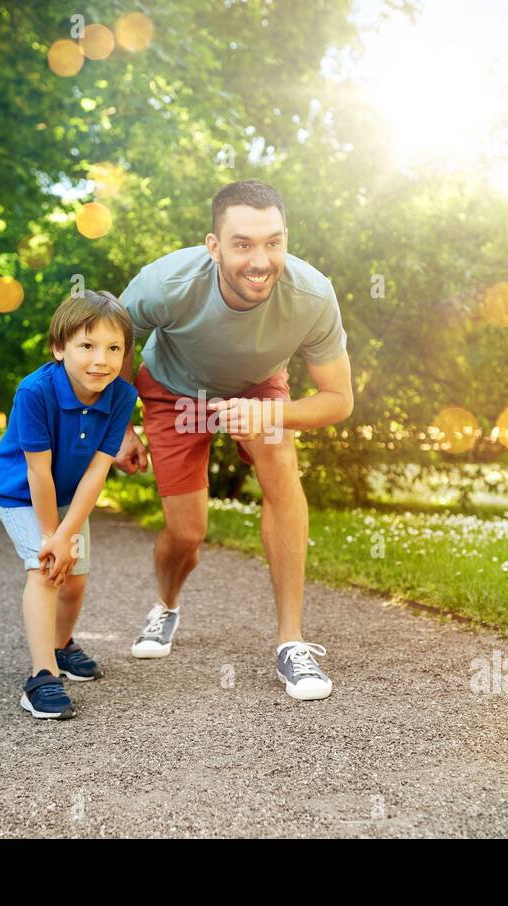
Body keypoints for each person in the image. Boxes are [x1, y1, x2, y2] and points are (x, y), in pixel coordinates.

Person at [113, 180, 354, 700]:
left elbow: (338, 399)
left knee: (282, 477)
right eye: (243, 244)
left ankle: (292, 643)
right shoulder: (164, 284)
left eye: (274, 242)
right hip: (172, 392)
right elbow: (110, 347)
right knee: (186, 534)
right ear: (214, 246)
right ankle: (166, 605)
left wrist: (268, 410)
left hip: (258, 390)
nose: (261, 260)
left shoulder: (312, 296)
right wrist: (121, 429)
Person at [0, 290, 139, 719]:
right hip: (22, 492)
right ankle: (42, 676)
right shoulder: (34, 392)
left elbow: (96, 472)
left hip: (72, 492)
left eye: (114, 349)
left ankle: (61, 643)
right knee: (46, 569)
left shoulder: (122, 396)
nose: (101, 360)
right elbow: (38, 473)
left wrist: (68, 533)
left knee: (75, 579)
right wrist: (54, 538)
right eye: (87, 346)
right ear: (59, 348)